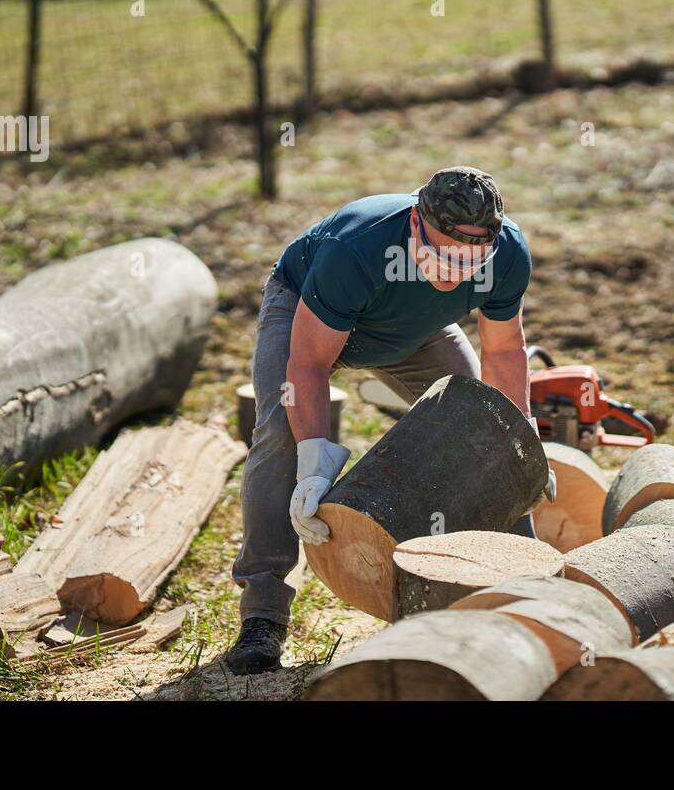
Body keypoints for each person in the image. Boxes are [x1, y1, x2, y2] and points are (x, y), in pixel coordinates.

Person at [225, 166, 551, 674]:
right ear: (416, 224)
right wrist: (314, 462)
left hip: (418, 330)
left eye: (470, 262)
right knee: (280, 433)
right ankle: (262, 615)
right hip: (306, 312)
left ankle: (520, 581)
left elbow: (505, 349)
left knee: (483, 430)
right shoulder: (355, 248)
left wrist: (521, 441)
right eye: (442, 256)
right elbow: (308, 364)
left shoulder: (508, 254)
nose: (455, 273)